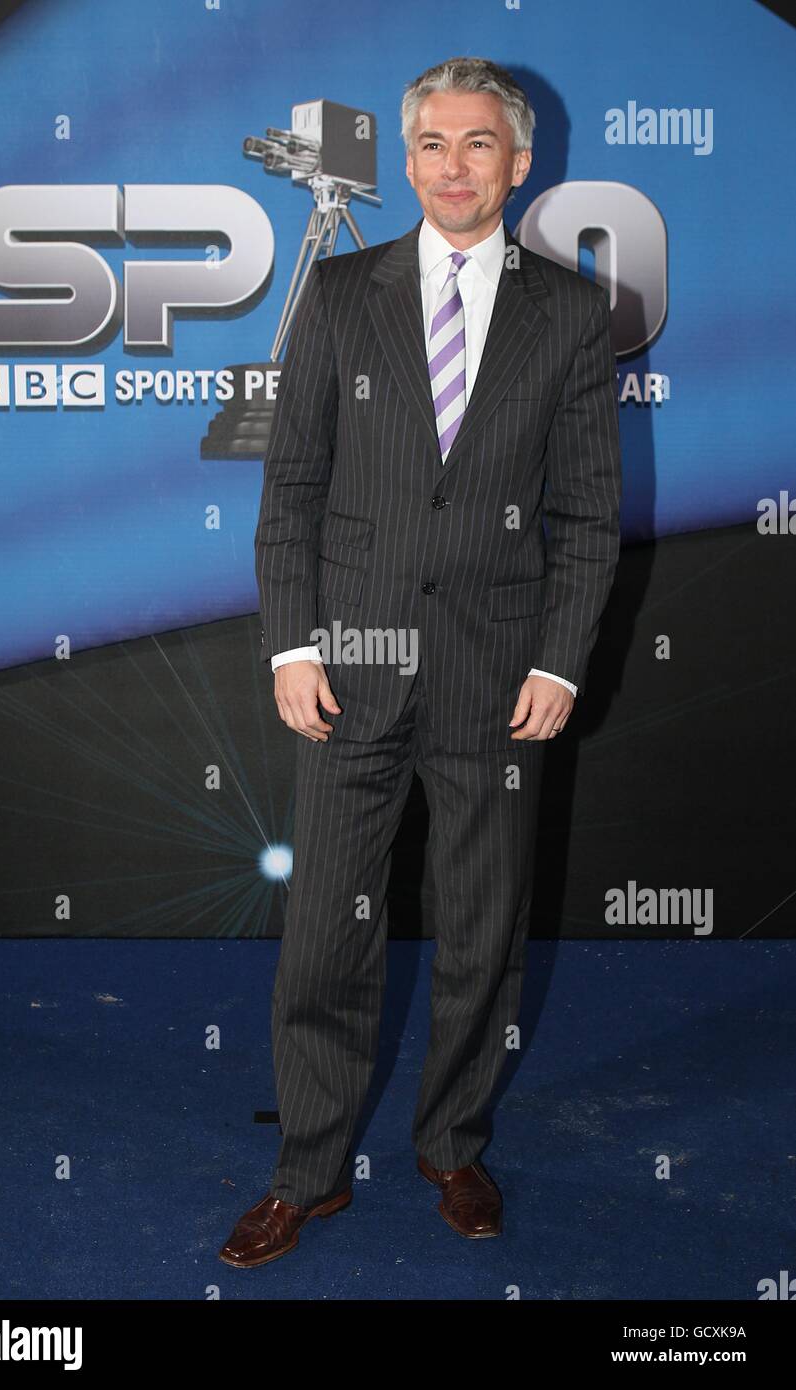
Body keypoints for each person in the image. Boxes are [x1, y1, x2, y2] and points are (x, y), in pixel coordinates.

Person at [220, 55, 621, 1268]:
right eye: (433, 146)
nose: (455, 167)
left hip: (498, 676)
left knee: (481, 925)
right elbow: (289, 488)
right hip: (347, 663)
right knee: (325, 935)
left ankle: (451, 1144)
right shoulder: (340, 293)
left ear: (520, 160)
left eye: (478, 145)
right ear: (407, 163)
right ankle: (309, 1167)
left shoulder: (571, 310)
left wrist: (558, 662)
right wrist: (291, 640)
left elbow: (592, 514)